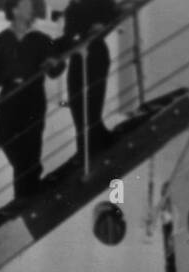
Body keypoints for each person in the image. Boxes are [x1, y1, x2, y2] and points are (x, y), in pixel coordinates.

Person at [0, 0, 65, 200]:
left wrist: (54, 63)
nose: (31, 9)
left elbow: (56, 68)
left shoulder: (41, 39)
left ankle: (24, 195)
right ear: (15, 10)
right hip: (10, 96)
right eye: (26, 5)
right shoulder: (2, 39)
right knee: (2, 134)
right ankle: (31, 180)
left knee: (31, 143)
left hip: (33, 97)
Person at [58, 0, 117, 165]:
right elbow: (69, 35)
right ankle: (87, 148)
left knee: (92, 104)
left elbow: (109, 16)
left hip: (96, 54)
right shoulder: (72, 7)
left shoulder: (99, 3)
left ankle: (92, 149)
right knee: (77, 104)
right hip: (78, 58)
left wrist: (99, 27)